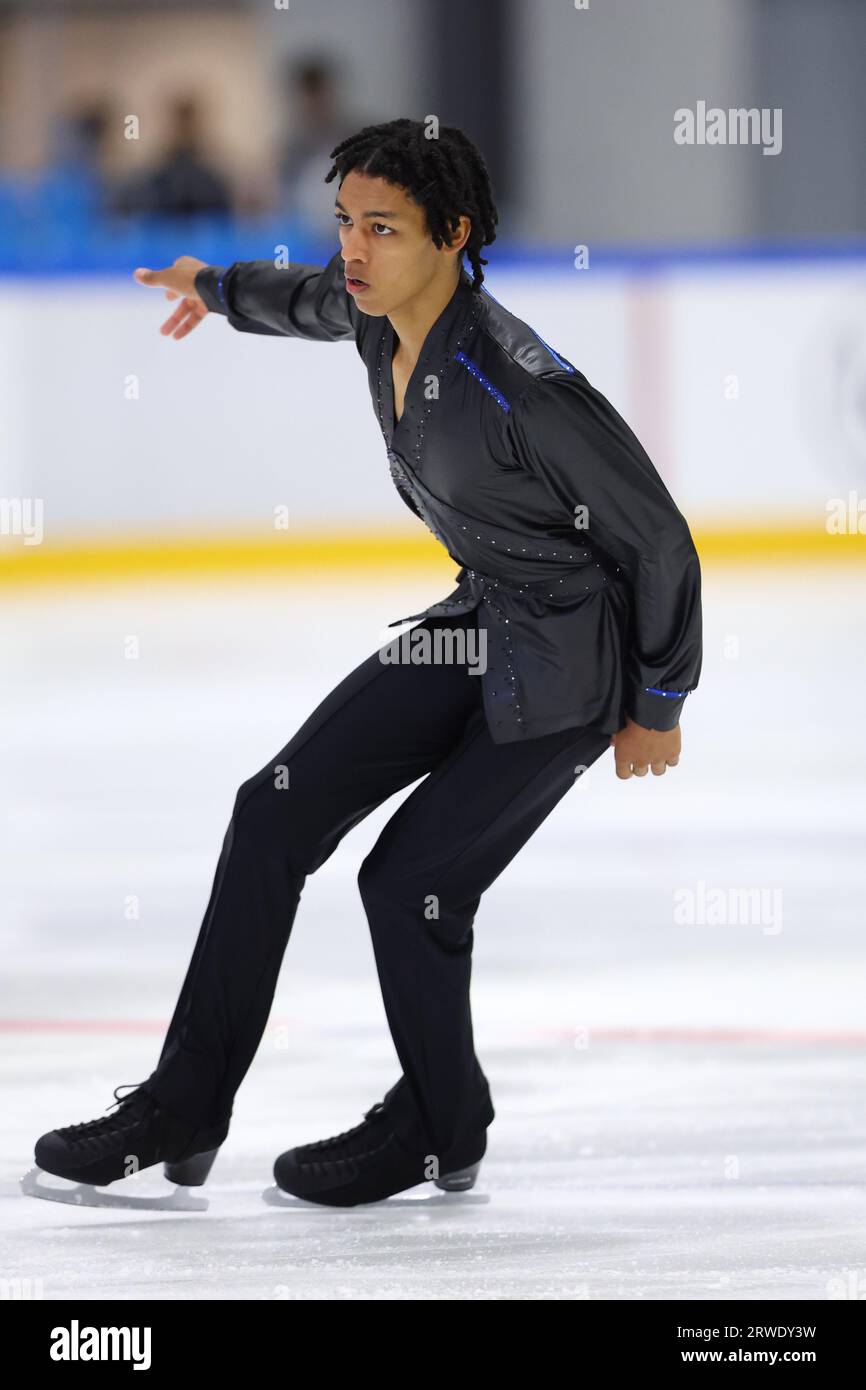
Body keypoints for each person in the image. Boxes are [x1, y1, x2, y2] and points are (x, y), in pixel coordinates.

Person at [33, 118, 702, 1208]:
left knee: (412, 883)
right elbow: (301, 299)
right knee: (272, 810)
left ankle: (442, 1125)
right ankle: (183, 1104)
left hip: (571, 666)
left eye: (381, 228)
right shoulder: (372, 315)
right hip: (481, 615)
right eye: (345, 222)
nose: (353, 247)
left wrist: (659, 703)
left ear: (453, 234)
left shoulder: (521, 386)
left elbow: (658, 541)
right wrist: (217, 284)